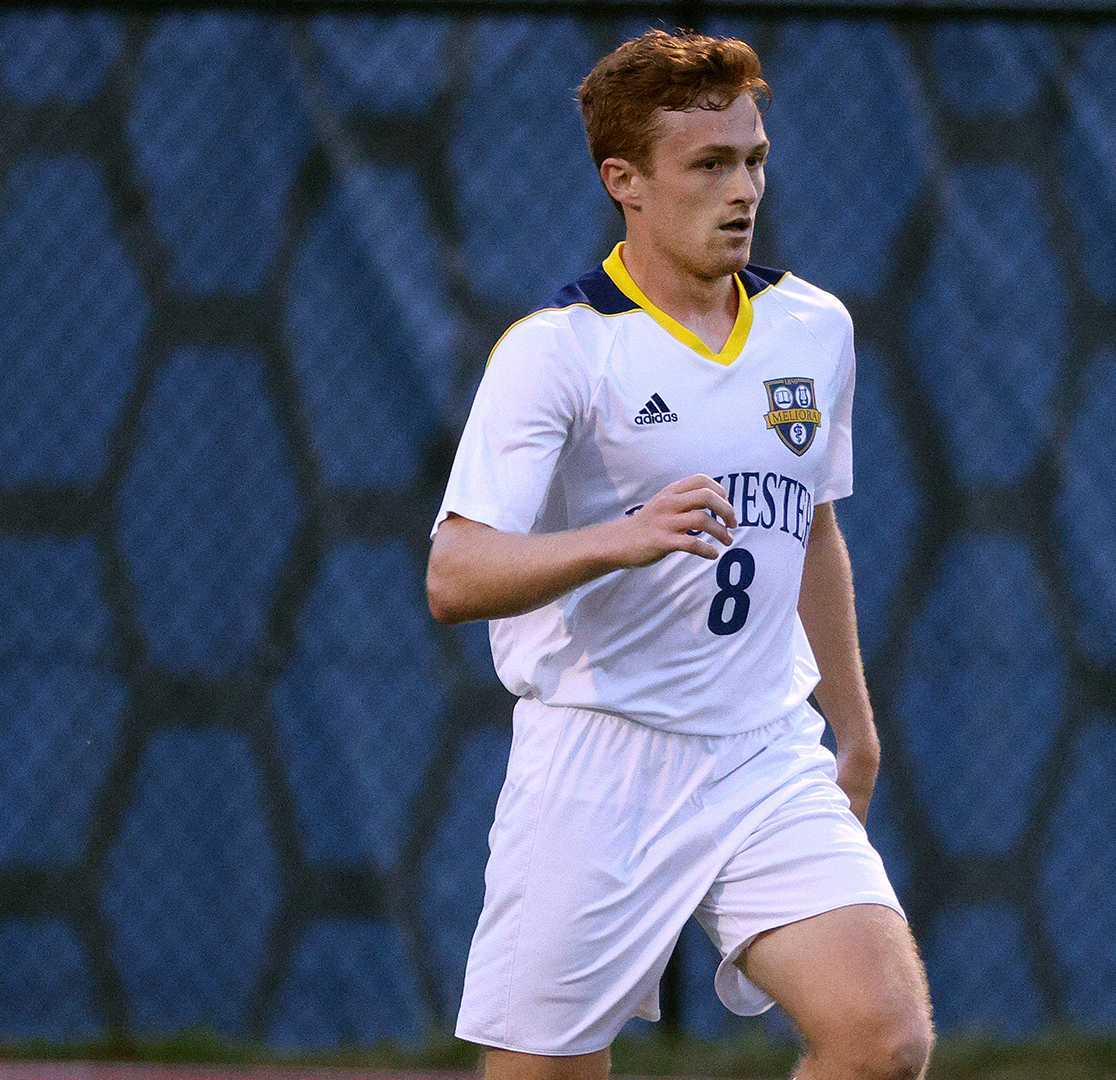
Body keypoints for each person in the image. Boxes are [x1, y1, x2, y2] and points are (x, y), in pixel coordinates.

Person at [425, 28, 934, 1080]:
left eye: (752, 158)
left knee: (882, 1040)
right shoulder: (560, 352)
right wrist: (621, 537)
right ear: (627, 182)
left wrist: (855, 724)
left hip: (762, 753)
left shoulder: (813, 327)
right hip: (595, 762)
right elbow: (455, 575)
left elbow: (814, 526)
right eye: (708, 165)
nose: (742, 188)